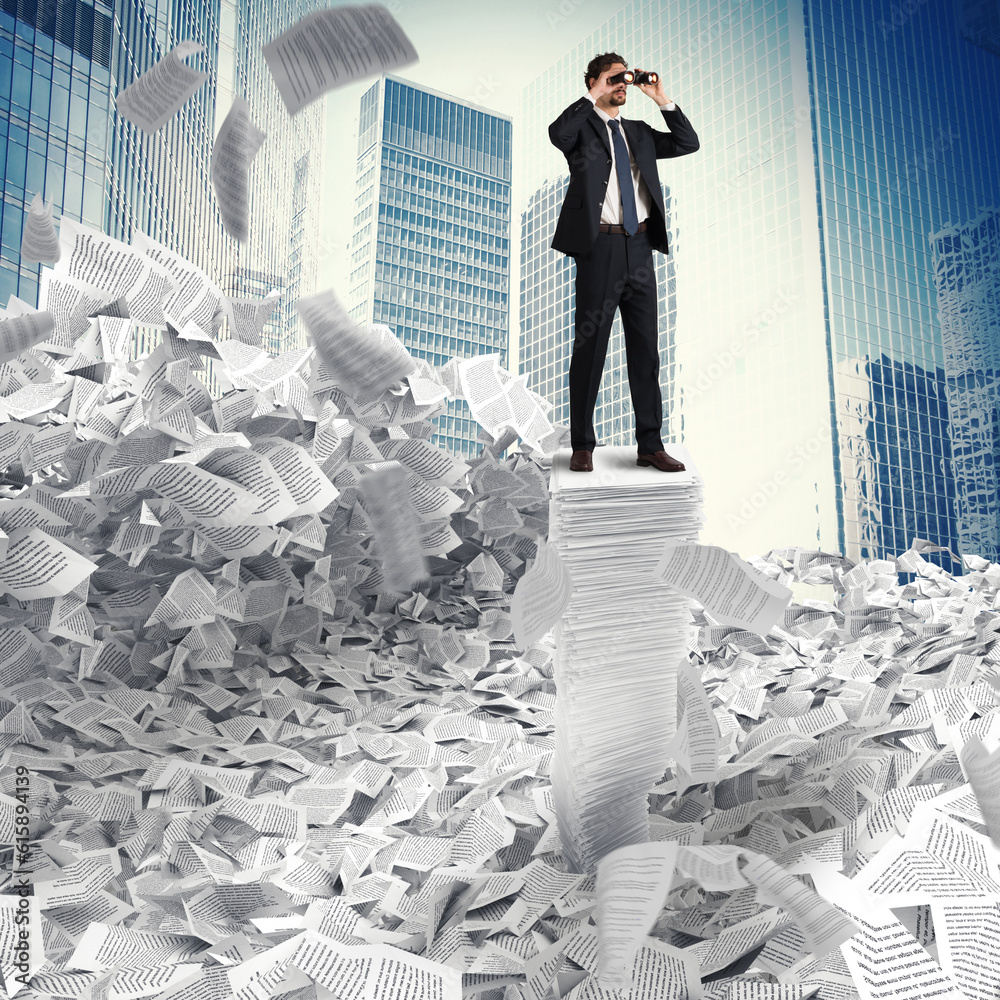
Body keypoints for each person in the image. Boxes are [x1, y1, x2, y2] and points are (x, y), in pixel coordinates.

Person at [548, 52, 700, 473]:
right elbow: (557, 134)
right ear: (595, 81)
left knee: (645, 351)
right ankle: (582, 444)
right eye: (614, 78)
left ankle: (650, 444)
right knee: (590, 348)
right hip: (600, 248)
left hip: (639, 248)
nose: (623, 85)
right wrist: (593, 96)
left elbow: (688, 143)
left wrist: (660, 97)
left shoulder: (640, 131)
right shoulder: (582, 128)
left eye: (626, 79)